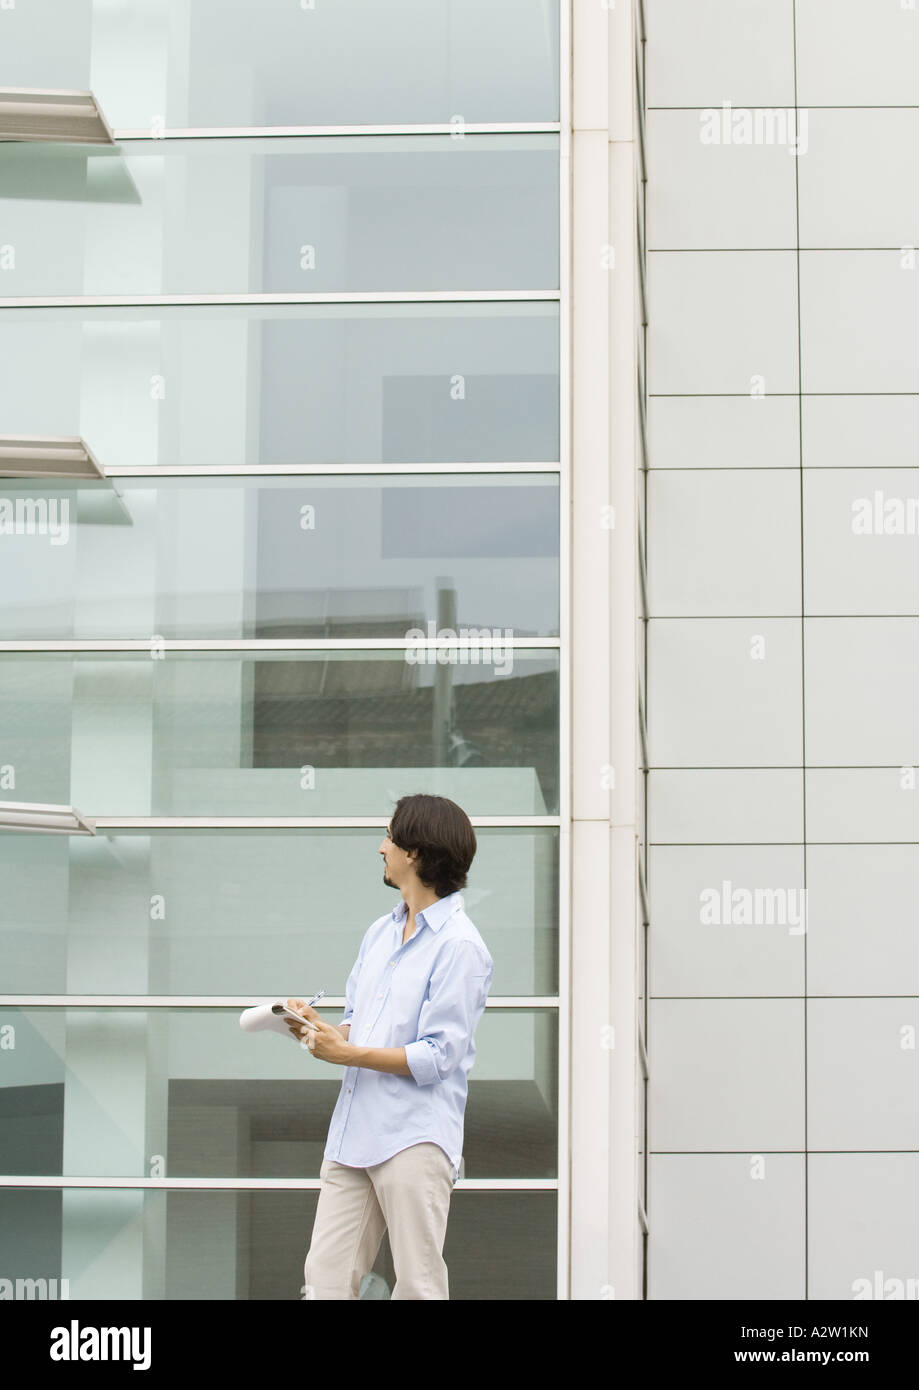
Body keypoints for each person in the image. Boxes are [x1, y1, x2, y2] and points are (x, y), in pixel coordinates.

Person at [286, 792, 494, 1301]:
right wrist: (320, 1029)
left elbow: (437, 1056)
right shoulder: (379, 933)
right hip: (354, 1134)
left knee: (419, 1287)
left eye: (390, 838)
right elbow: (359, 1027)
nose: (381, 848)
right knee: (325, 1283)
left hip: (415, 1138)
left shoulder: (461, 947)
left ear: (416, 854)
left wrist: (349, 1053)